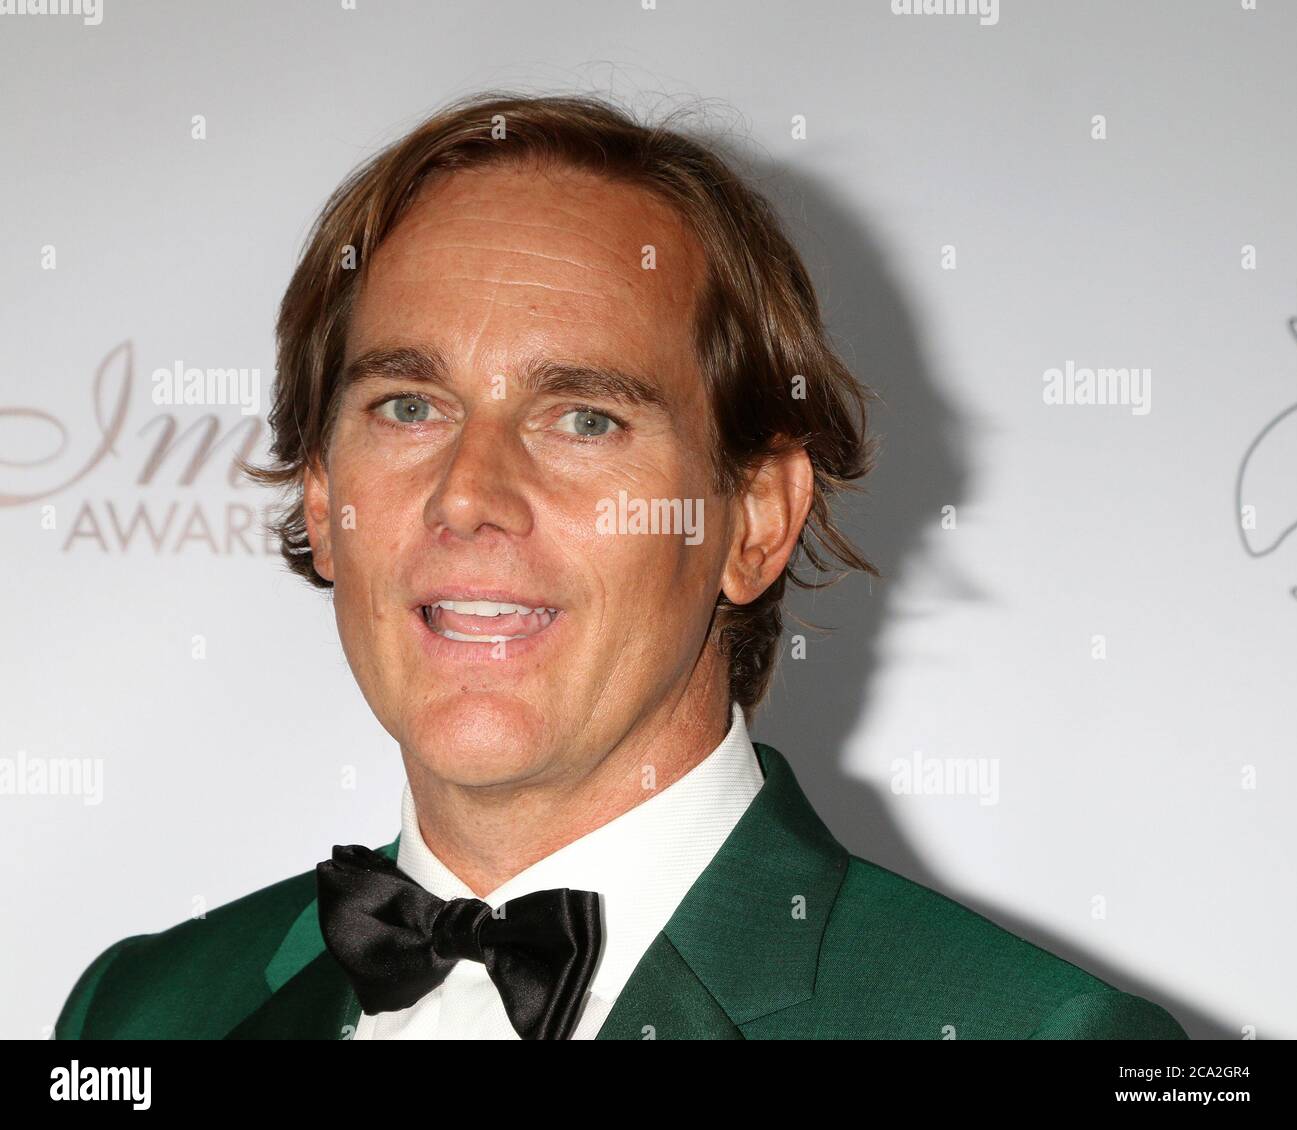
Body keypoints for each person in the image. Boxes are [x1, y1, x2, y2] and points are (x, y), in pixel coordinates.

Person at [54, 92, 1187, 1040]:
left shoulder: (1036, 1033)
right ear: (323, 498)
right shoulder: (141, 1013)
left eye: (584, 417)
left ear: (753, 520)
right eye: (408, 405)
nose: (468, 495)